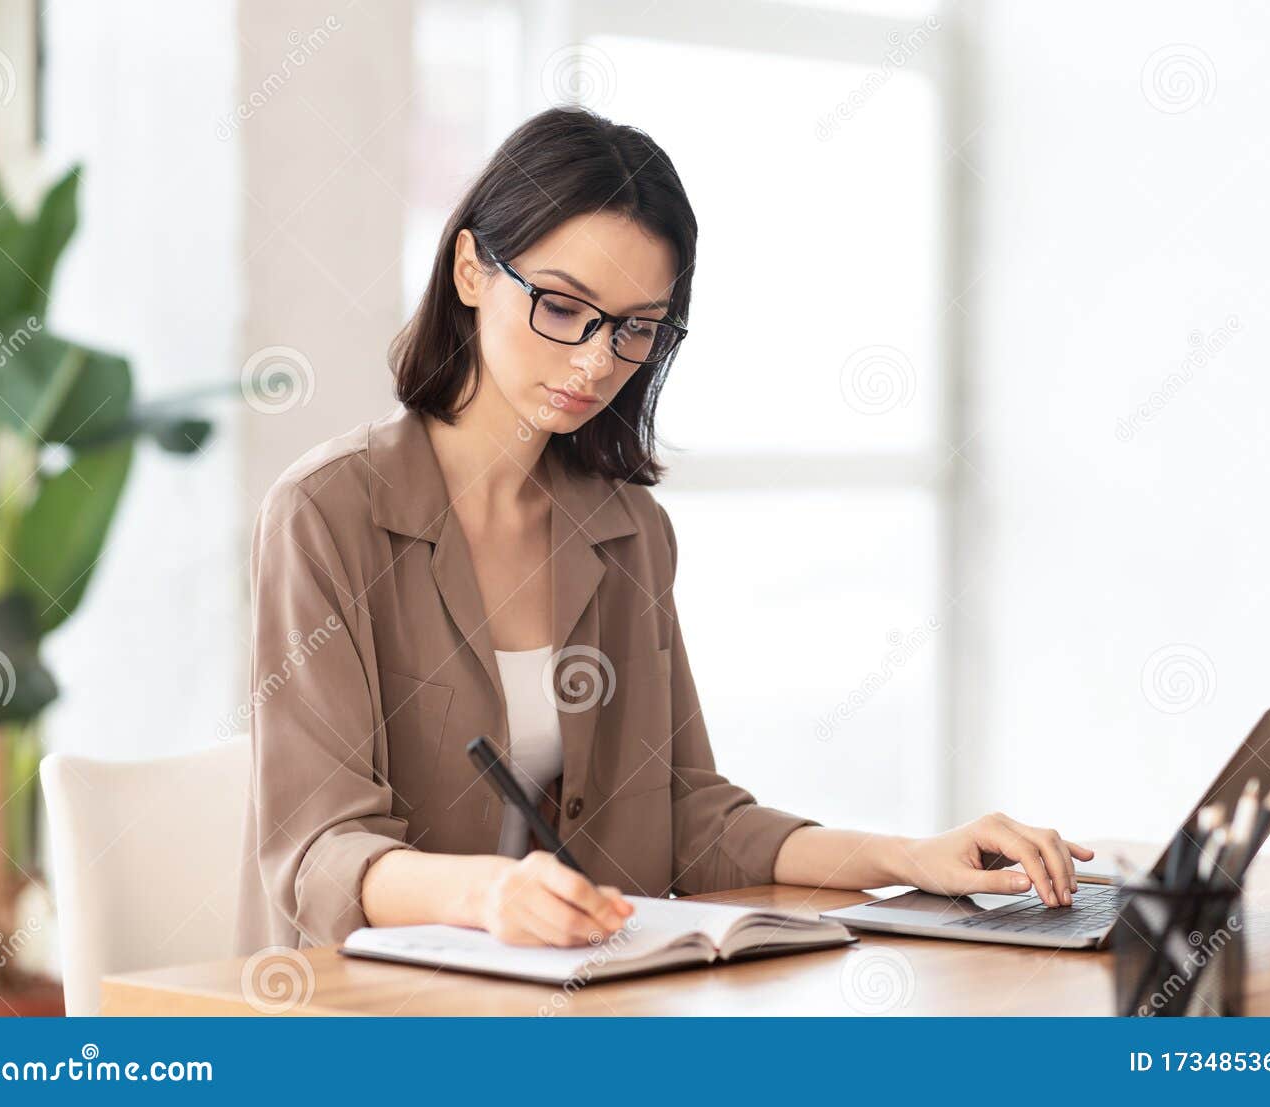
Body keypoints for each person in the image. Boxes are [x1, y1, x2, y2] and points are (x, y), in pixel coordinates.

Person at [235, 107, 1092, 953]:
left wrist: (909, 856)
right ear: (470, 269)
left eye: (636, 327)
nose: (596, 360)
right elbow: (319, 849)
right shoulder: (328, 514)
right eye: (563, 307)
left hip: (589, 1006)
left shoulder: (627, 530)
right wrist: (491, 894)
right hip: (375, 1020)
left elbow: (687, 813)